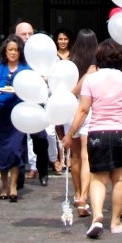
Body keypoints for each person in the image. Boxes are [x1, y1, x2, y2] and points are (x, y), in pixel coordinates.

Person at [62, 38, 122, 239]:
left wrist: (70, 135)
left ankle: (97, 217)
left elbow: (83, 110)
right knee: (120, 178)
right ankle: (115, 222)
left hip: (98, 132)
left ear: (100, 58)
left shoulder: (90, 80)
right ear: (120, 59)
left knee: (98, 178)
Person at [59, 28, 98, 217]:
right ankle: (84, 197)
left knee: (73, 156)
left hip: (70, 109)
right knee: (86, 156)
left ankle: (76, 194)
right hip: (88, 108)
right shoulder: (96, 63)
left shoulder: (69, 62)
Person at [0, 34, 29, 202]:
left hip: (18, 116)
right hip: (0, 115)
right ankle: (3, 185)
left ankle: (13, 186)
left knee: (15, 150)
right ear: (5, 51)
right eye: (10, 50)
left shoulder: (26, 70)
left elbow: (32, 91)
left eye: (16, 50)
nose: (12, 53)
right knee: (1, 152)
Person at [15, 20, 50, 186]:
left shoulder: (40, 53)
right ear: (16, 36)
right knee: (18, 141)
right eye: (24, 34)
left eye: (30, 34)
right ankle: (19, 176)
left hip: (36, 102)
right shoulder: (14, 53)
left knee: (40, 139)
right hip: (16, 102)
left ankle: (43, 171)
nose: (27, 37)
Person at [52, 27, 73, 172]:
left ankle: (70, 158)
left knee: (70, 126)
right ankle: (61, 158)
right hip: (56, 93)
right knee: (58, 127)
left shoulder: (74, 55)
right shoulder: (52, 56)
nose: (63, 41)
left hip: (71, 93)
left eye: (65, 39)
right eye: (60, 39)